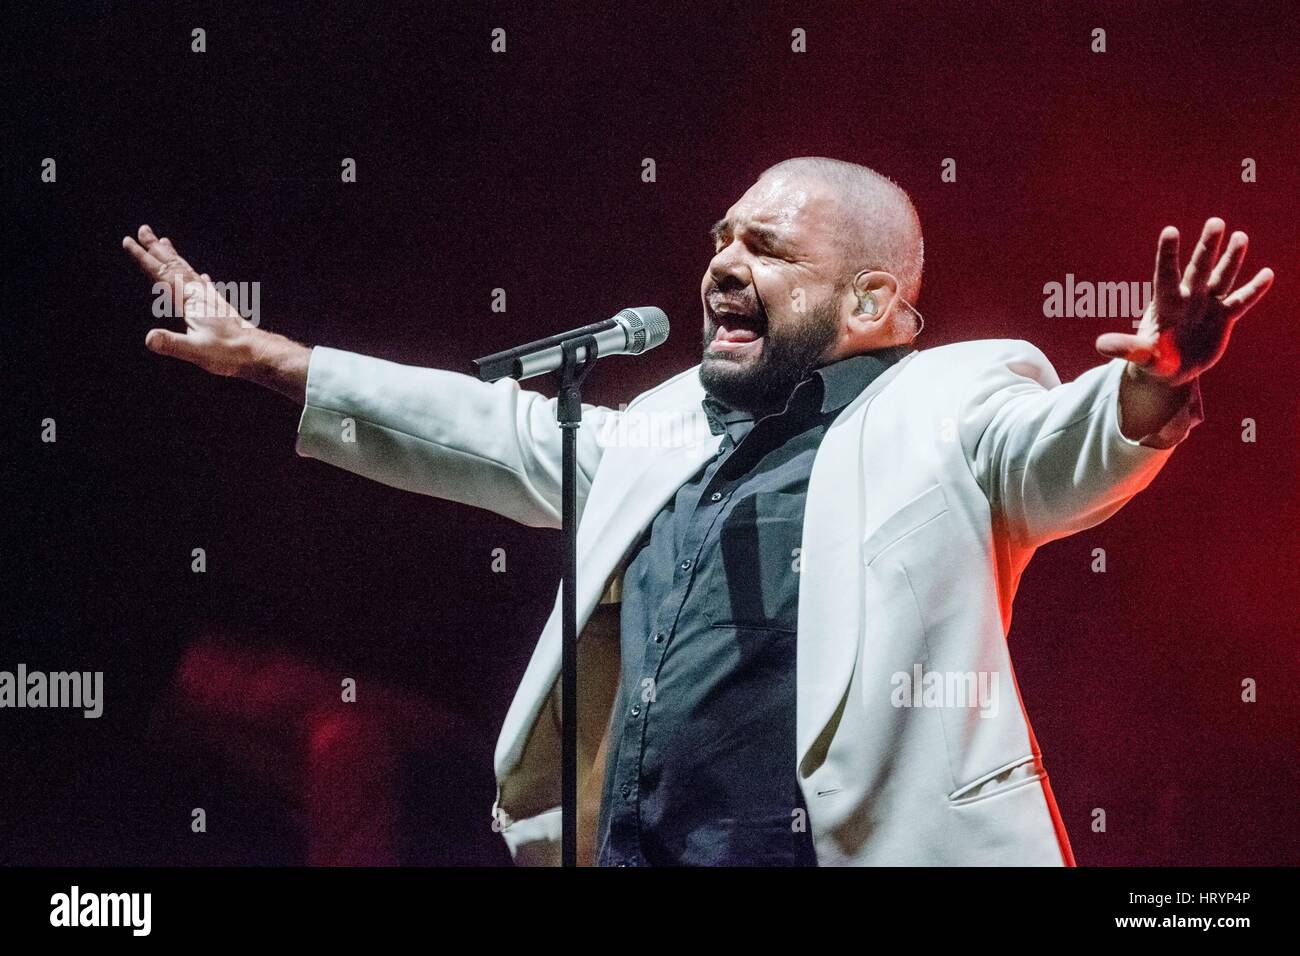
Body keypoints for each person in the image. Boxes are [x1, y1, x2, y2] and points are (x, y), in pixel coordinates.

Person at [122, 156, 1274, 866]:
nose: (723, 259)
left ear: (873, 298)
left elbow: (1065, 446)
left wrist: (1157, 375)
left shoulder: (952, 398)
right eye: (721, 236)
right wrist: (277, 359)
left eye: (765, 247)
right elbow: (497, 433)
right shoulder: (670, 420)